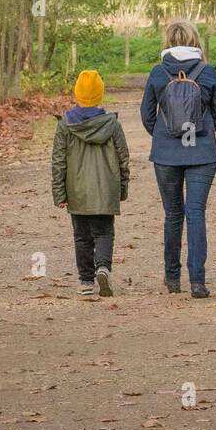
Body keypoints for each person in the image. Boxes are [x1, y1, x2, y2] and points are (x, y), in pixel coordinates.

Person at [141, 19, 216, 298]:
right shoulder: (208, 72)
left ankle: (172, 277)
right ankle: (198, 282)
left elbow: (147, 116)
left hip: (166, 153)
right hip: (201, 153)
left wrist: (166, 135)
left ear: (167, 41)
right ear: (194, 40)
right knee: (196, 213)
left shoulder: (157, 73)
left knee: (173, 214)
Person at [51, 69, 130, 300]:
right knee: (104, 232)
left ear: (77, 94)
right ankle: (103, 268)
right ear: (100, 95)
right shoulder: (112, 124)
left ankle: (85, 280)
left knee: (82, 236)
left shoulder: (65, 125)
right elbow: (123, 158)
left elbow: (58, 161)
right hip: (105, 190)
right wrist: (121, 189)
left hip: (77, 192)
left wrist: (59, 193)